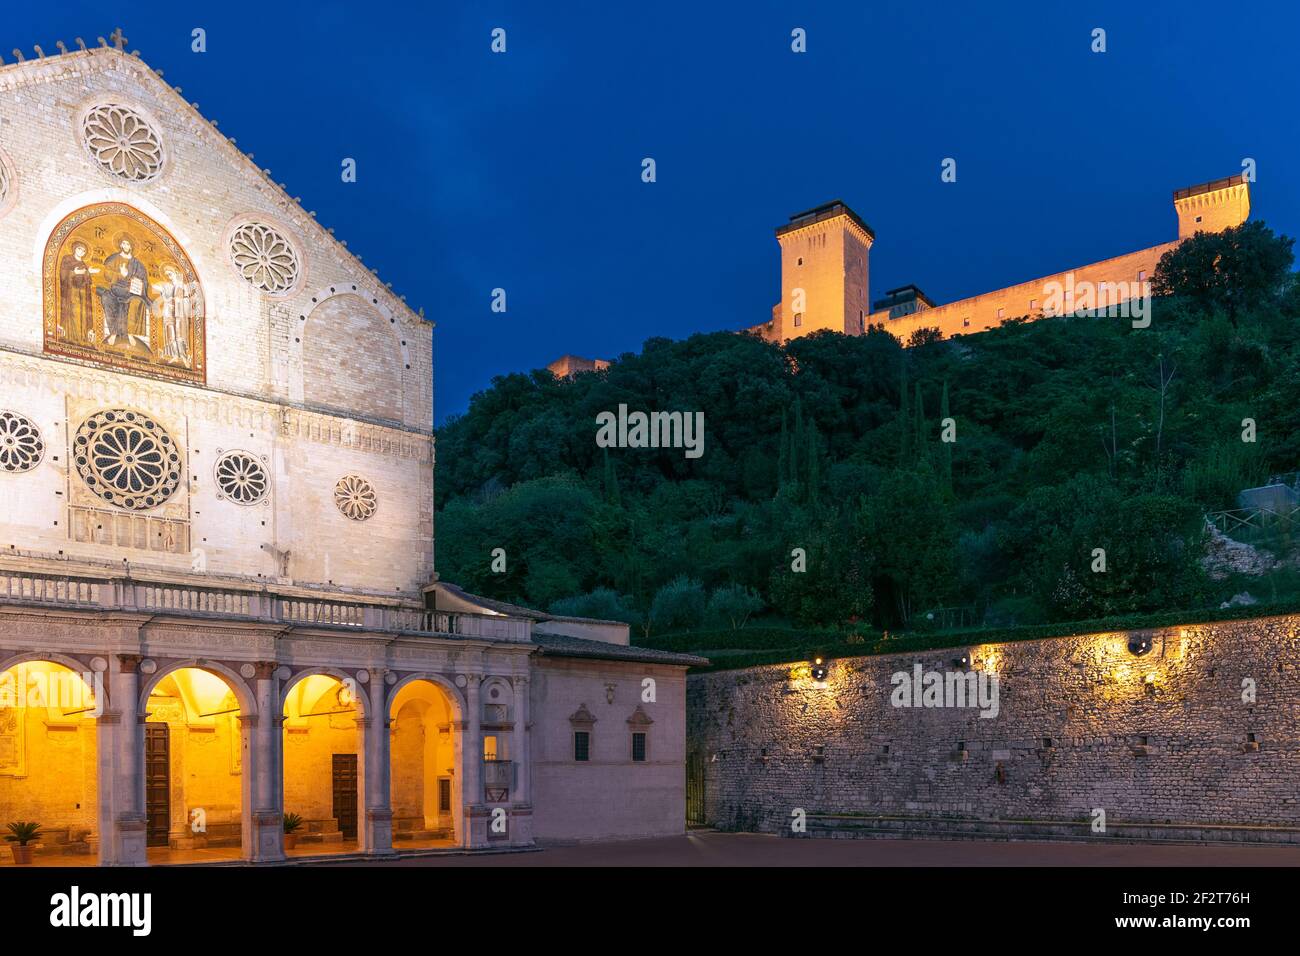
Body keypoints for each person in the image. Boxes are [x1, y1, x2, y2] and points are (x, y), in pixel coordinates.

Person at [96, 234, 153, 349]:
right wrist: (120, 274)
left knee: (137, 302)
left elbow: (144, 281)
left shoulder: (138, 264)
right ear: (121, 245)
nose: (126, 246)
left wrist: (129, 277)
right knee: (107, 298)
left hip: (131, 291)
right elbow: (107, 275)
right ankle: (113, 333)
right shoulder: (113, 259)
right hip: (115, 289)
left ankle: (130, 333)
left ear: (131, 247)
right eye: (124, 243)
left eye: (128, 244)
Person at [57, 239, 99, 345]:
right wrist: (73, 272)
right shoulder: (67, 259)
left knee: (82, 315)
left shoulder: (84, 264)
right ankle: (70, 337)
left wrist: (88, 272)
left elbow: (87, 282)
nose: (81, 252)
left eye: (84, 251)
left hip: (82, 294)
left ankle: (81, 338)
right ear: (75, 249)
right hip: (71, 293)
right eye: (80, 249)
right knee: (73, 313)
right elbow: (63, 275)